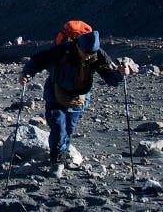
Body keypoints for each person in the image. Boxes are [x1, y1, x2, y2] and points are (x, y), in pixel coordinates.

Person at [18, 30, 132, 178]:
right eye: (86, 52)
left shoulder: (97, 56)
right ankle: (56, 161)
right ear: (78, 45)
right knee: (59, 128)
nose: (89, 56)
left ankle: (63, 154)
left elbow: (110, 78)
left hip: (78, 98)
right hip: (55, 95)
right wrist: (26, 74)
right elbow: (38, 60)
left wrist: (121, 74)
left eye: (91, 53)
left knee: (69, 129)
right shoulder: (61, 50)